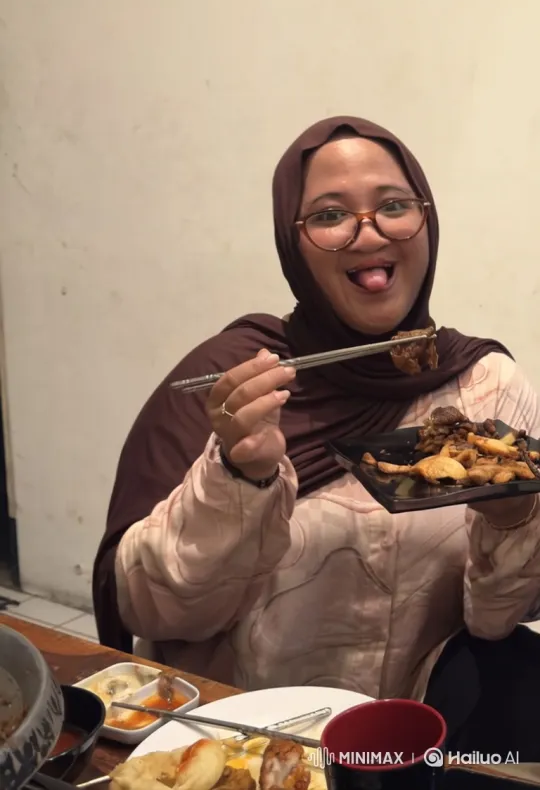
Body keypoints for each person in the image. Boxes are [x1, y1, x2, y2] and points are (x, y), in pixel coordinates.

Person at [93, 116, 540, 761]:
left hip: (411, 742)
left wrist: (513, 516)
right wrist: (239, 479)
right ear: (291, 242)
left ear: (426, 219)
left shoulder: (485, 388)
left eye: (393, 205)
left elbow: (498, 621)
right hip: (243, 747)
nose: (369, 232)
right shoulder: (237, 386)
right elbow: (152, 614)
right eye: (331, 216)